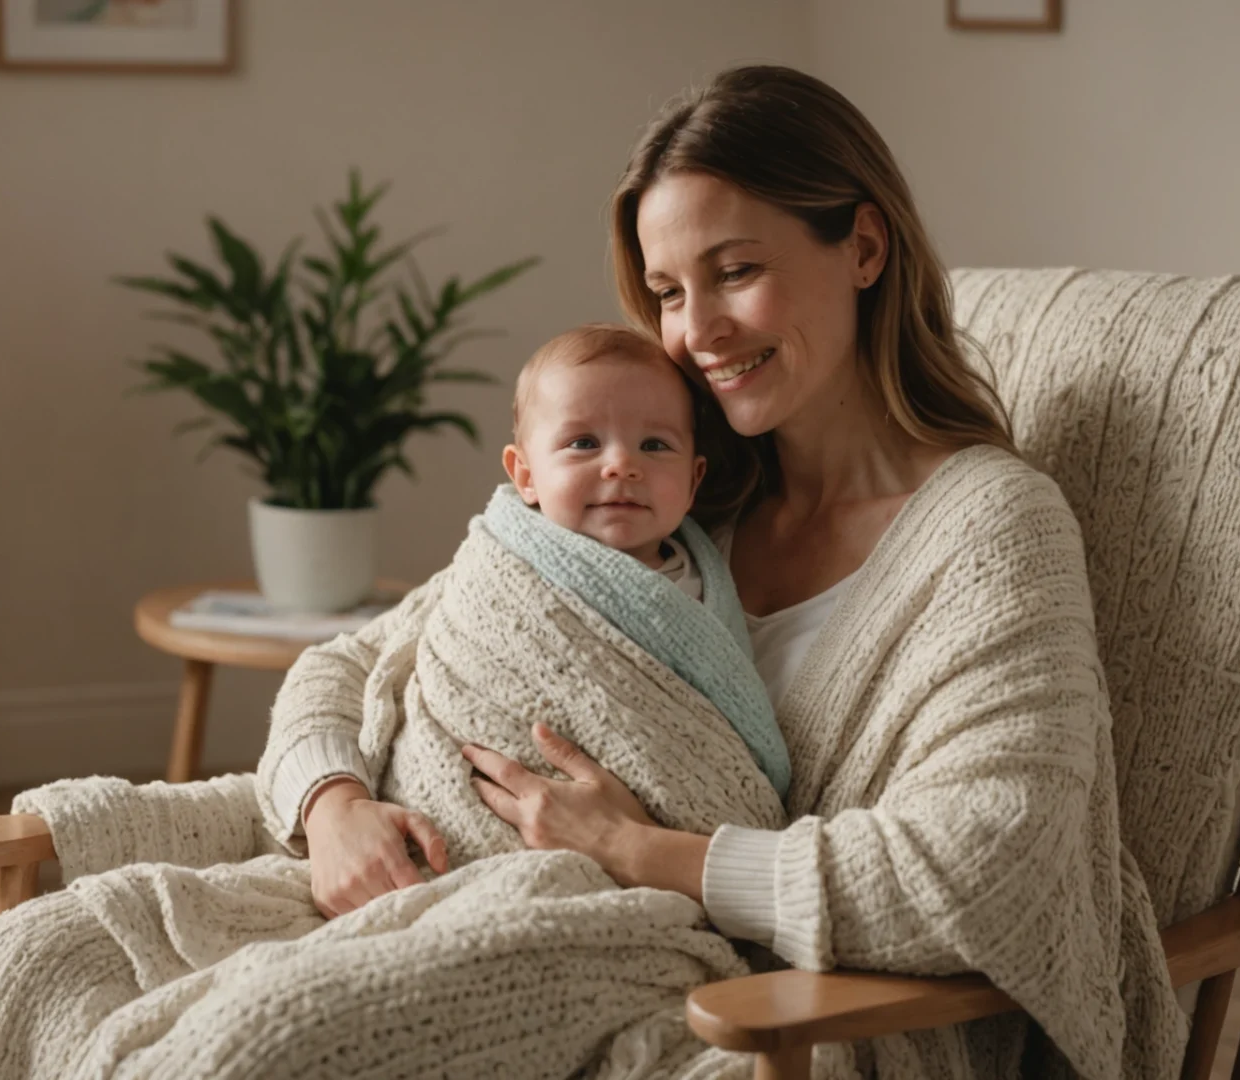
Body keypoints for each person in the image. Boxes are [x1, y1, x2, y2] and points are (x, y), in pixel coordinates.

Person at [264, 65, 1187, 1078]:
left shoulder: (991, 530)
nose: (693, 333)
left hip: (790, 1022)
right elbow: (355, 663)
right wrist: (332, 807)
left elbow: (988, 866)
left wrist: (639, 852)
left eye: (734, 271)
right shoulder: (676, 506)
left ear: (865, 248)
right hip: (499, 922)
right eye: (667, 291)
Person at [272, 321, 794, 880]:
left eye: (655, 444)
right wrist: (336, 803)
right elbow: (345, 663)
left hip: (620, 862)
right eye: (583, 443)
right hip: (442, 827)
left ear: (693, 483)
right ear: (525, 474)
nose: (622, 464)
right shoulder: (502, 565)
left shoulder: (707, 590)